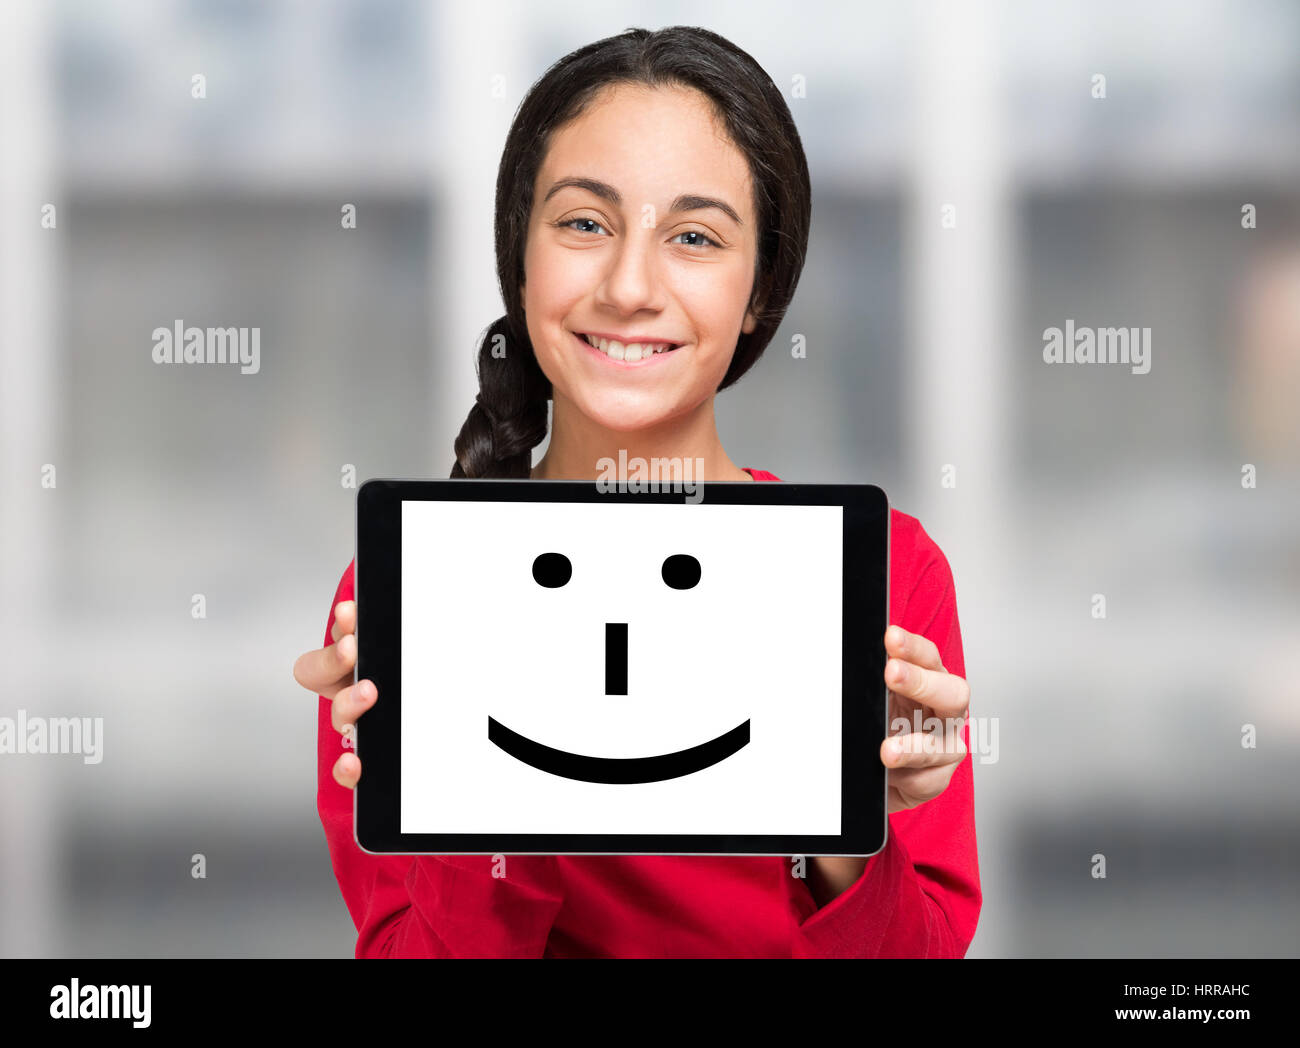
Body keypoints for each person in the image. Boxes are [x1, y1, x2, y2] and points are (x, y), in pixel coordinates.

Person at [292, 26, 980, 958]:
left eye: (694, 237)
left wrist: (855, 827)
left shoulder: (883, 575)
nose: (628, 286)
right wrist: (460, 762)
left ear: (761, 292)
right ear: (520, 258)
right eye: (584, 223)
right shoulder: (411, 590)